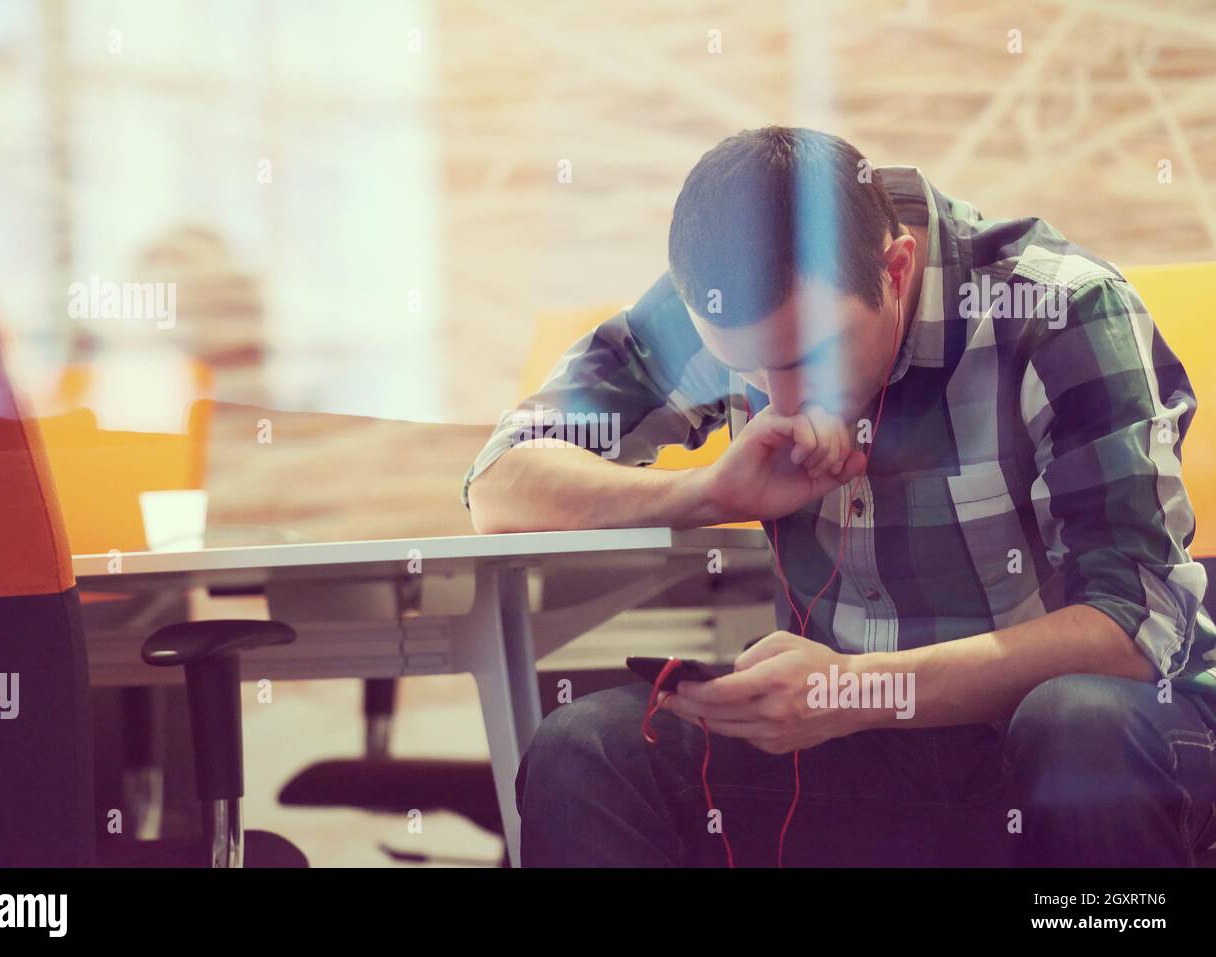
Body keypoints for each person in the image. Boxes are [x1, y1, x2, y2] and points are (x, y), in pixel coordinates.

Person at [462, 126, 1216, 867]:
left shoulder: (1060, 309)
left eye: (811, 356)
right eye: (749, 370)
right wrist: (704, 491)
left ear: (895, 268)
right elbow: (500, 483)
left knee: (1078, 724)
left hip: (1110, 735)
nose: (781, 398)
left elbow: (1129, 633)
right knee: (588, 750)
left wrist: (855, 688)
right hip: (867, 751)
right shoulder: (729, 304)